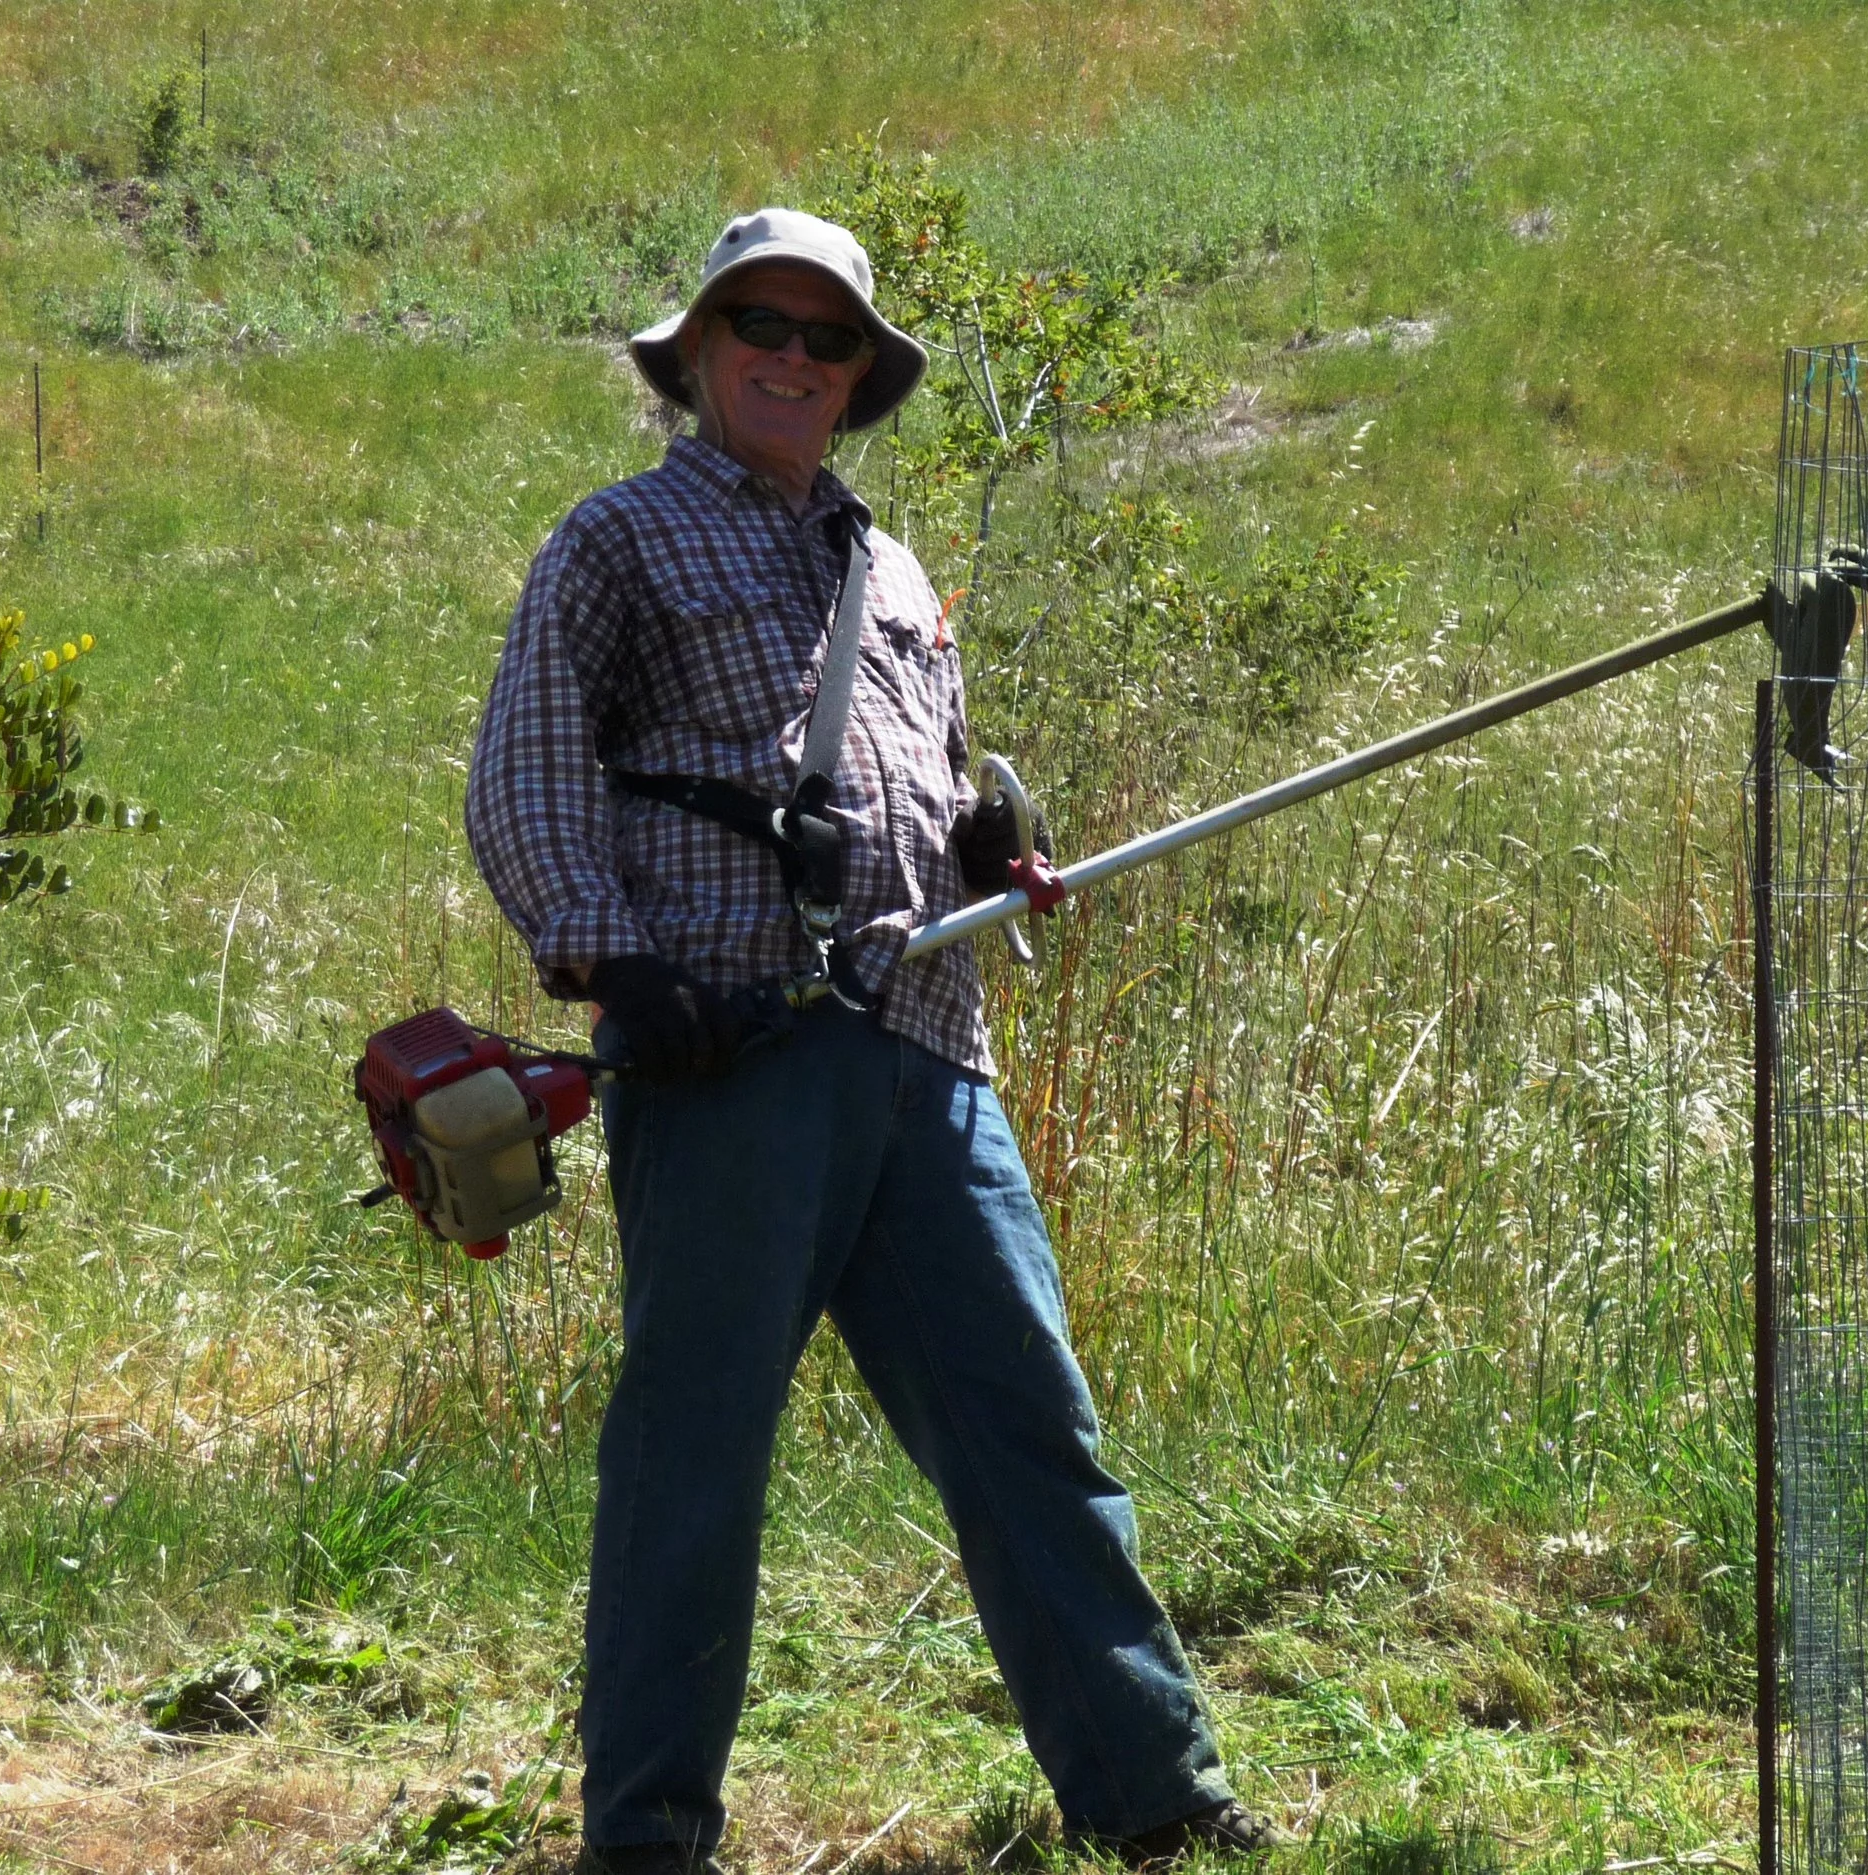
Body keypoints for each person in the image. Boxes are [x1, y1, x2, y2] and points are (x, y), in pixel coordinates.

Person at [464, 208, 1271, 1875]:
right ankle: (649, 1842)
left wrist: (985, 843)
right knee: (695, 1461)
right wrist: (617, 961)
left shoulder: (891, 573)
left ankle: (1157, 1801)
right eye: (757, 321)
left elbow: (936, 776)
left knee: (1033, 1425)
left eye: (826, 338)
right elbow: (529, 770)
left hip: (930, 1045)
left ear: (858, 379)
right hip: (727, 1062)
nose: (789, 355)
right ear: (694, 353)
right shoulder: (612, 543)